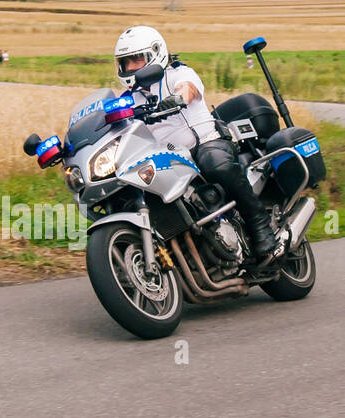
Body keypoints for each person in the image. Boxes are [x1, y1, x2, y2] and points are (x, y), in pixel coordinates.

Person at [113, 25, 279, 261]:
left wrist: (177, 98)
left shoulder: (177, 74)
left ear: (155, 53)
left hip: (206, 144)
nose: (129, 68)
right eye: (125, 62)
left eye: (136, 60)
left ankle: (259, 225)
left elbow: (188, 88)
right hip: (169, 158)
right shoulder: (128, 98)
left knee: (215, 163)